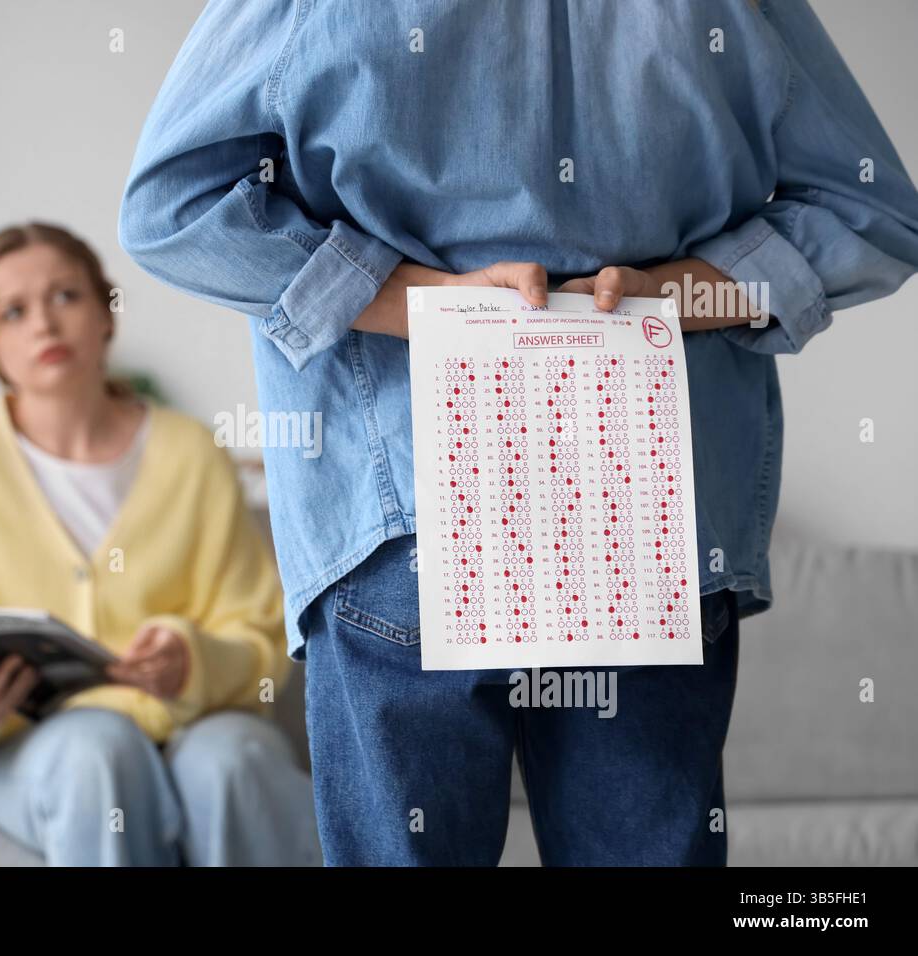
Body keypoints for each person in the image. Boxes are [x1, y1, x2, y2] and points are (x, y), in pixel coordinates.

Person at [117, 0, 918, 865]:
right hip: (648, 523)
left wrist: (412, 300)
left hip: (400, 518)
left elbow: (174, 208)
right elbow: (870, 213)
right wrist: (671, 295)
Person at [0, 221, 322, 866]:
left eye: (66, 296)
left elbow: (260, 635)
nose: (44, 324)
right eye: (13, 312)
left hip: (191, 725)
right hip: (32, 747)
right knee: (96, 751)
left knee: (234, 761)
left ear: (105, 312)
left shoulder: (192, 452)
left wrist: (191, 660)